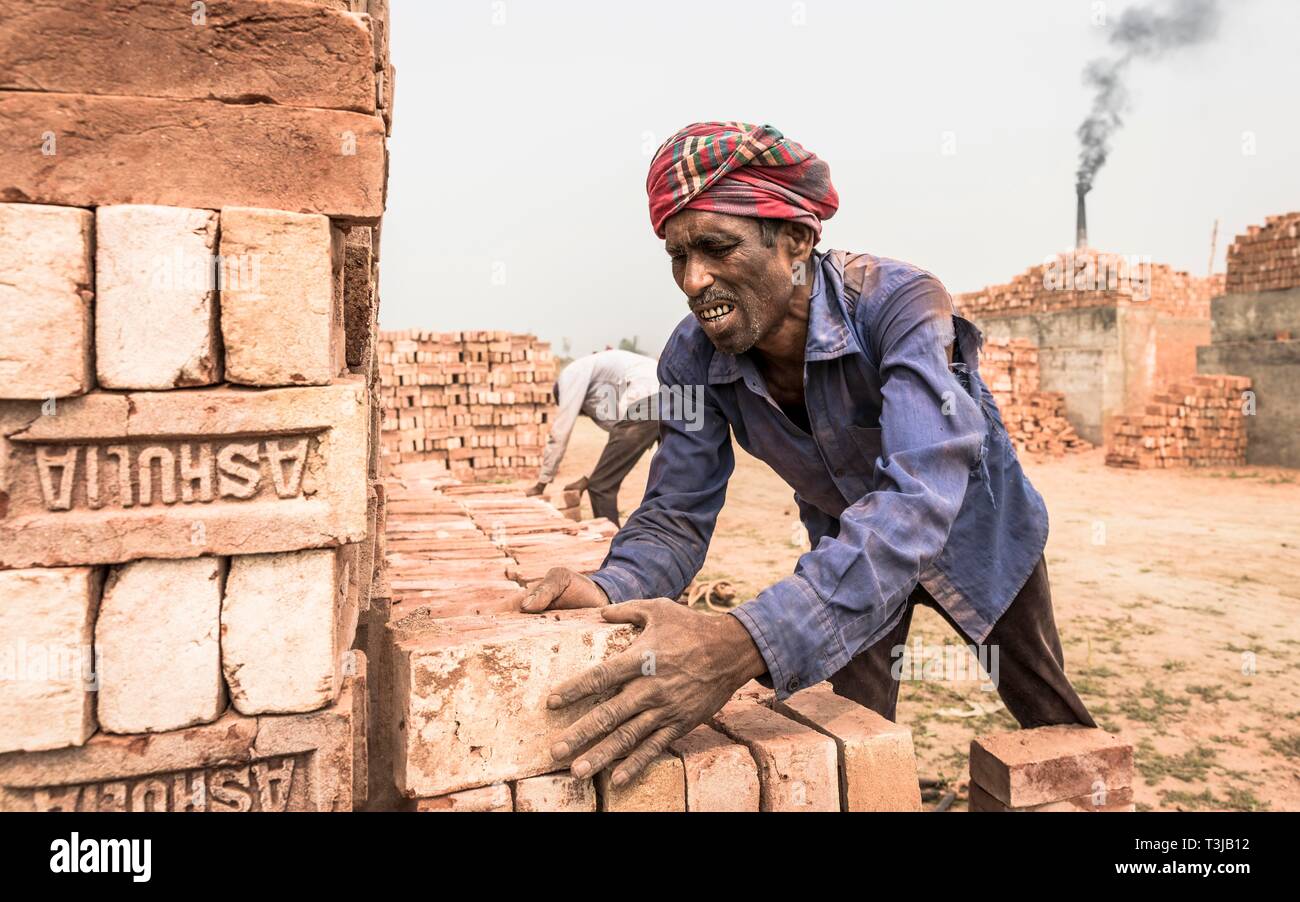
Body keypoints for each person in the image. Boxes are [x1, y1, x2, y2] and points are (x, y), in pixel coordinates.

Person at [519, 121, 1094, 791]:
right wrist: (608, 586)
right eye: (678, 256)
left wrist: (743, 642)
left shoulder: (901, 304)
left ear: (795, 241)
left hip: (981, 537)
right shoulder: (688, 359)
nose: (694, 279)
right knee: (846, 743)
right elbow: (675, 511)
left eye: (715, 247)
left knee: (1051, 725)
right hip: (848, 553)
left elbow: (917, 498)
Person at [526, 349, 660, 526]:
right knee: (668, 481)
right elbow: (617, 447)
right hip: (674, 395)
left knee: (600, 487)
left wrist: (542, 483)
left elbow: (560, 432)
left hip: (648, 395)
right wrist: (587, 477)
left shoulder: (570, 376)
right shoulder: (600, 378)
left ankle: (612, 547)